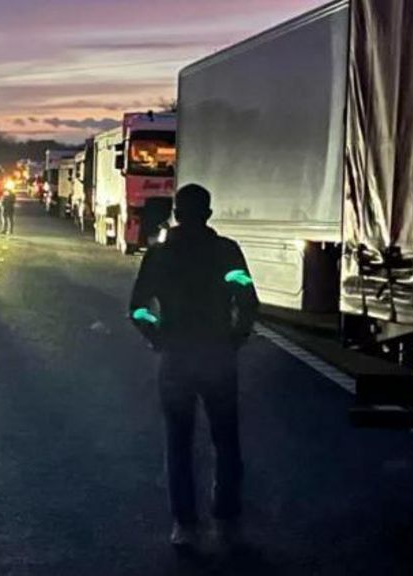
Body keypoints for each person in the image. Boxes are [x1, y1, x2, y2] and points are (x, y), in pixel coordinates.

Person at [128, 183, 258, 554]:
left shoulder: (159, 255)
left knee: (179, 442)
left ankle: (185, 524)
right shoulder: (226, 251)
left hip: (176, 357)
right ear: (208, 214)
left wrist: (157, 337)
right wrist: (235, 337)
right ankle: (227, 517)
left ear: (176, 214)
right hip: (218, 355)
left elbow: (138, 307)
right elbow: (247, 299)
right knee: (226, 440)